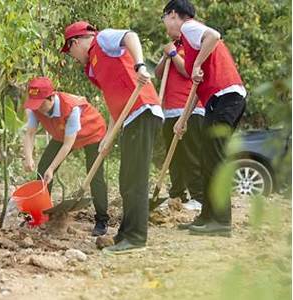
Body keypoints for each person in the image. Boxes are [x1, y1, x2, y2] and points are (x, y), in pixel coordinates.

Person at [61, 21, 163, 253]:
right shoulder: (94, 68)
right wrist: (108, 134)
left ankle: (136, 238)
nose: (73, 58)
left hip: (143, 109)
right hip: (129, 117)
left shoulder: (103, 40)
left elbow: (131, 36)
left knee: (135, 178)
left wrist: (139, 65)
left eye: (70, 53)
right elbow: (114, 100)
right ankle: (126, 234)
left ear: (75, 43)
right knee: (127, 179)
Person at [162, 0, 246, 236]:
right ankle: (207, 217)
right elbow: (197, 88)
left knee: (215, 158)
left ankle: (221, 221)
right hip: (217, 100)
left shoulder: (189, 27)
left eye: (165, 18)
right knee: (207, 157)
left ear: (173, 15)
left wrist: (197, 63)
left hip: (226, 97)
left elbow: (215, 35)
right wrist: (183, 119)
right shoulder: (188, 42)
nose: (165, 25)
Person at [22, 77, 109, 236]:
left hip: (92, 132)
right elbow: (30, 133)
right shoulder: (35, 108)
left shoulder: (71, 108)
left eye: (42, 103)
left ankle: (102, 220)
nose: (39, 108)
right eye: (36, 104)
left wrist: (52, 168)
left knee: (95, 175)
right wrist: (28, 158)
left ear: (51, 97)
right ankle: (40, 214)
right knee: (42, 169)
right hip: (62, 134)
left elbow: (68, 144)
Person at [154, 39, 204, 209]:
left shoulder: (195, 46)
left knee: (191, 155)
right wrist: (166, 54)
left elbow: (189, 71)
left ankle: (199, 196)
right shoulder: (172, 46)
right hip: (171, 110)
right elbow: (159, 74)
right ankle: (177, 195)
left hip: (191, 109)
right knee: (174, 156)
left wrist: (174, 54)